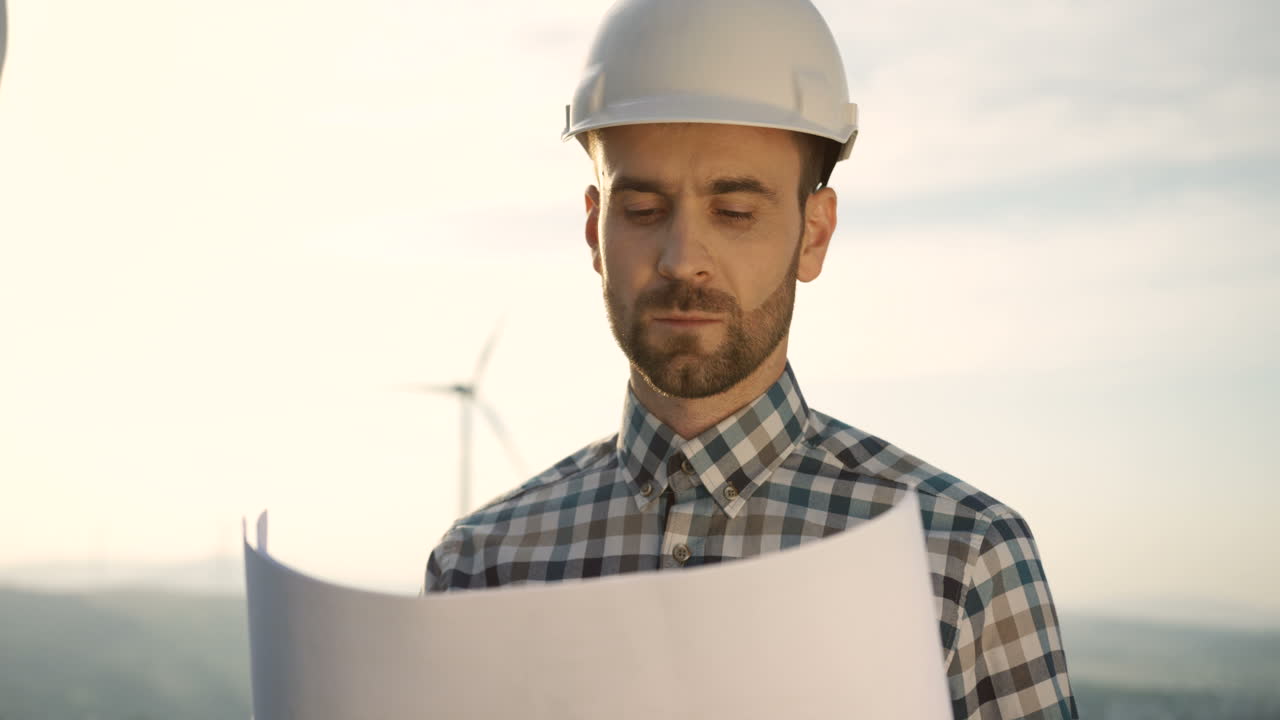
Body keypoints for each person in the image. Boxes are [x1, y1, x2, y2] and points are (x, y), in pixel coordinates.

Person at [424, 0, 1077, 717]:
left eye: (734, 213)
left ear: (814, 235)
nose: (682, 259)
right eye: (642, 211)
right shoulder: (481, 565)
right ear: (593, 230)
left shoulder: (962, 557)